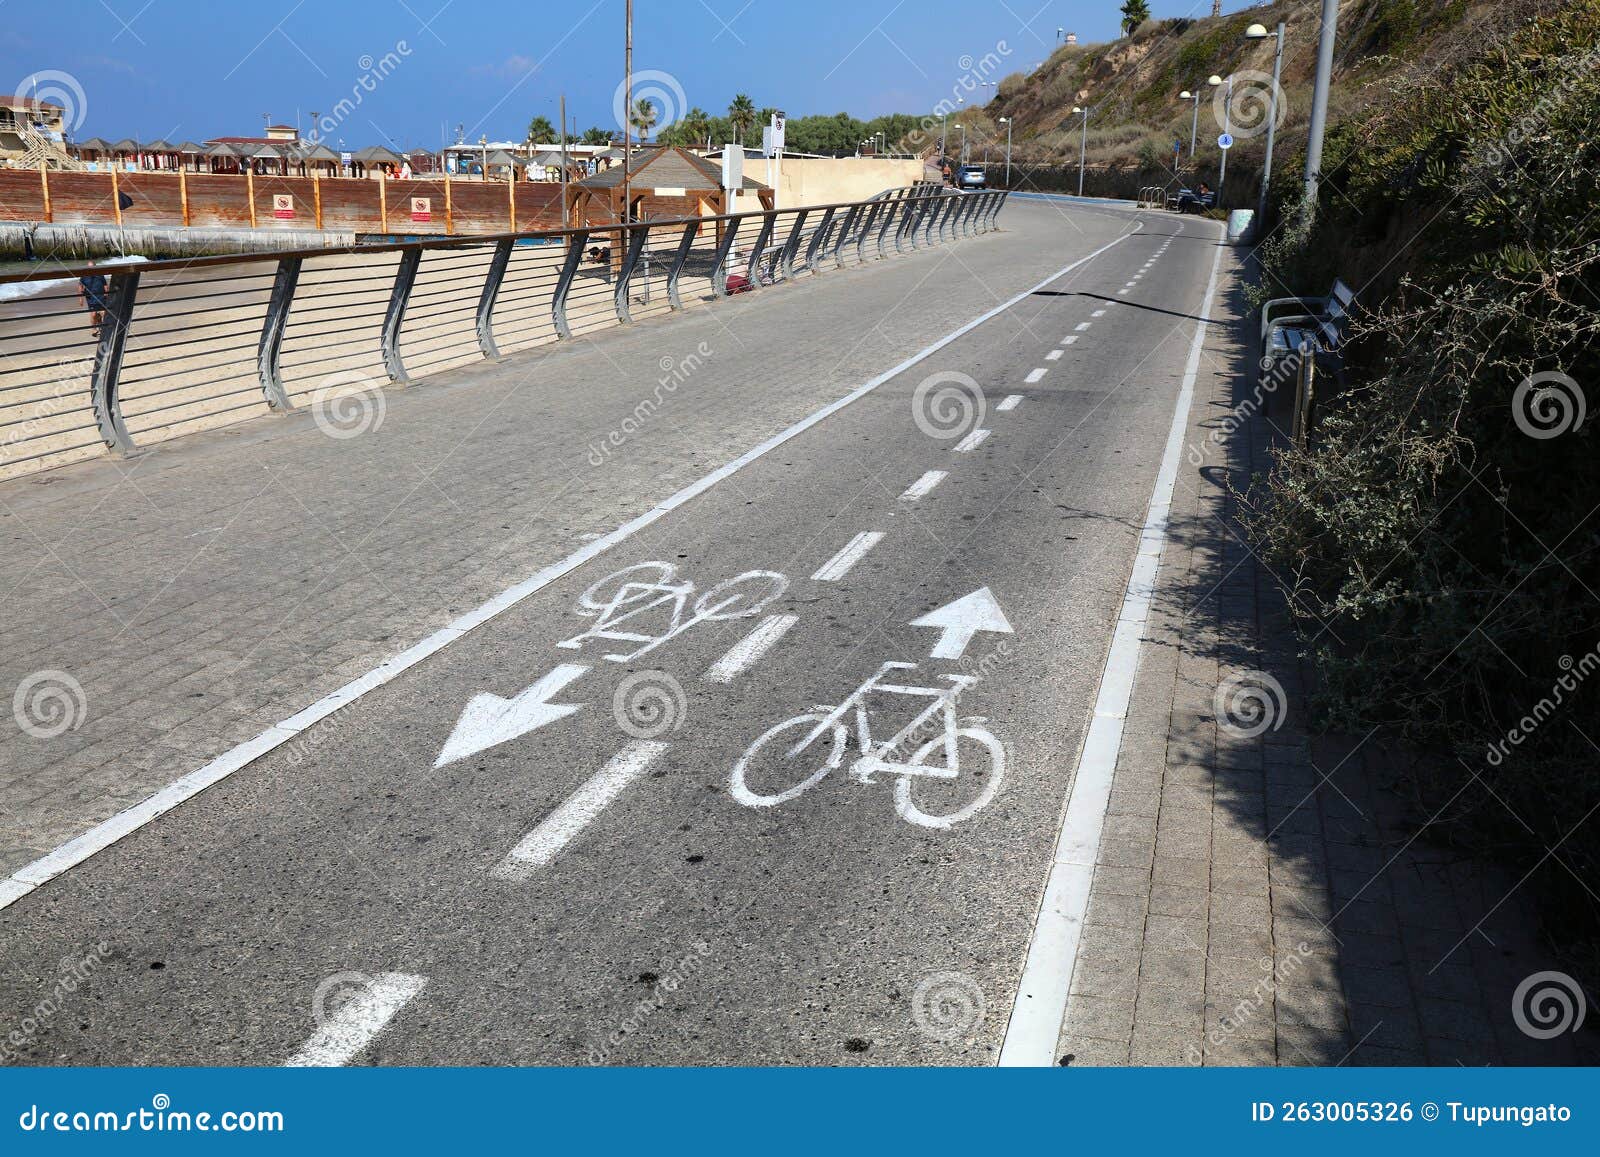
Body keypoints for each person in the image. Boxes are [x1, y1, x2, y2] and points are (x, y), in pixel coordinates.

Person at [78, 260, 108, 337]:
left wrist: (106, 293)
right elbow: (80, 285)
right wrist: (81, 298)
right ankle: (94, 329)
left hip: (101, 297)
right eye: (89, 267)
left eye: (92, 267)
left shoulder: (100, 274)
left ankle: (100, 323)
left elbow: (105, 284)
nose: (90, 269)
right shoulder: (84, 276)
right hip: (90, 298)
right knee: (94, 314)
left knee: (103, 313)